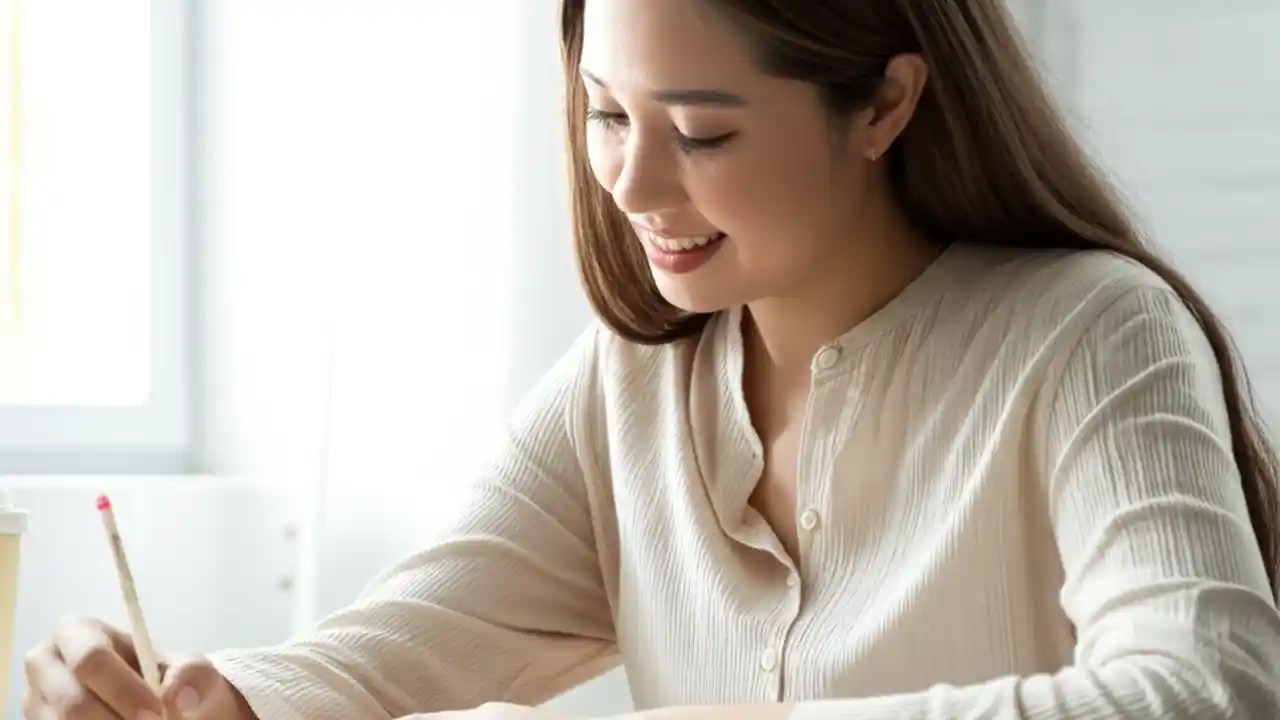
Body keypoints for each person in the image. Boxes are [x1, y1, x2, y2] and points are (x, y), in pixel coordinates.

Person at [23, 0, 1280, 718]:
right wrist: (202, 698)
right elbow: (403, 644)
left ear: (887, 106)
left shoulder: (1087, 332)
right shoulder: (629, 386)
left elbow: (1203, 690)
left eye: (699, 131)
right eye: (607, 115)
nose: (628, 181)